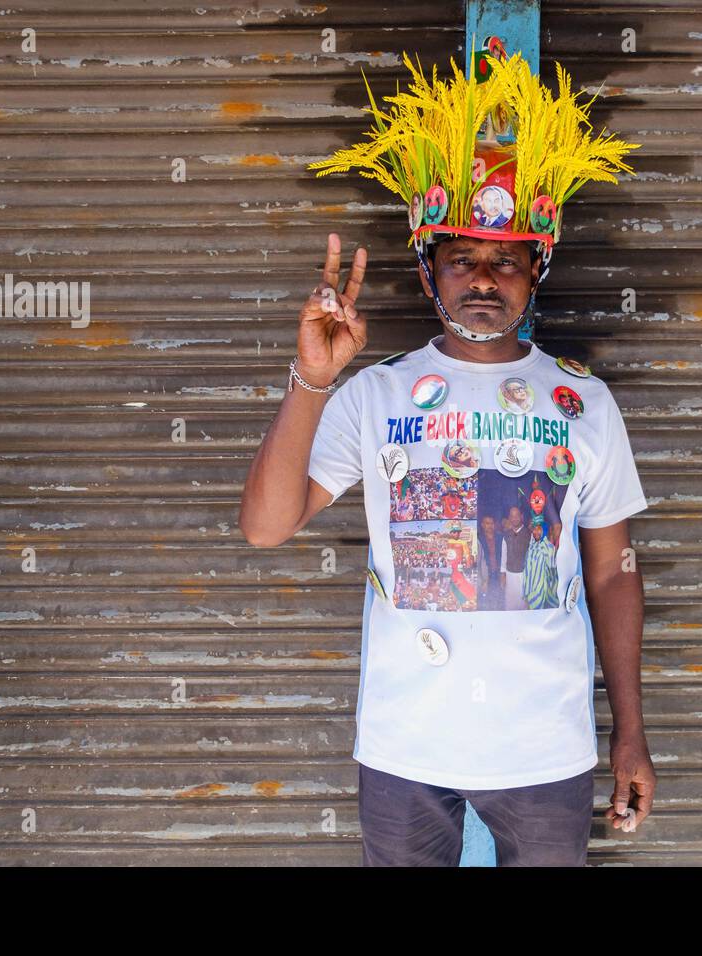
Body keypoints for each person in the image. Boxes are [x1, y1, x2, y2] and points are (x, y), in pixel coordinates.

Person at [238, 50, 652, 866]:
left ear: (538, 270)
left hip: (545, 750)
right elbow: (264, 527)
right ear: (430, 269)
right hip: (405, 748)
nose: (485, 278)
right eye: (463, 256)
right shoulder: (376, 395)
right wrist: (313, 380)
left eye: (507, 258)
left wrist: (630, 733)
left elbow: (612, 573)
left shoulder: (585, 404)